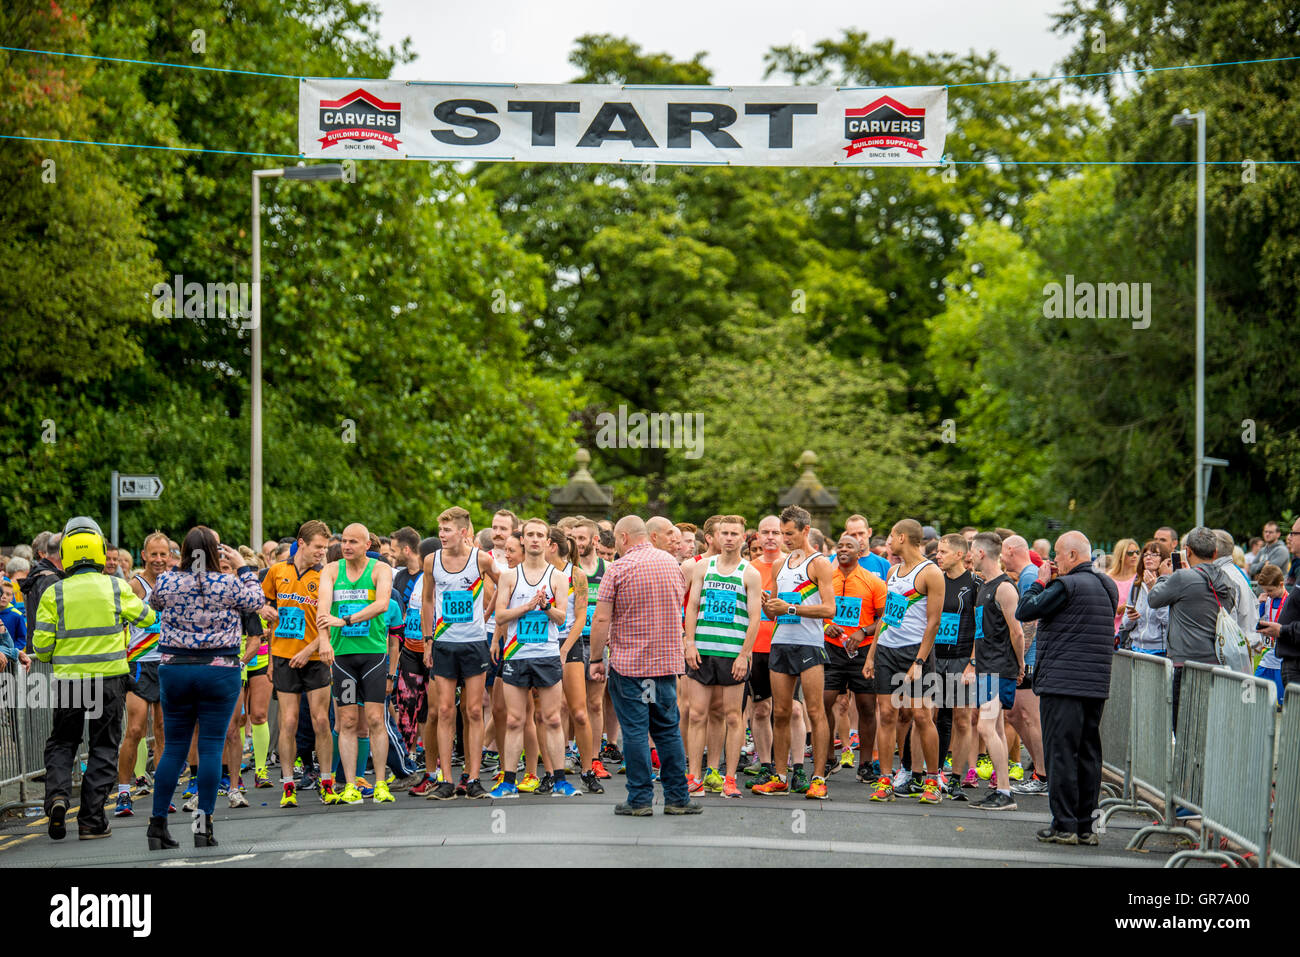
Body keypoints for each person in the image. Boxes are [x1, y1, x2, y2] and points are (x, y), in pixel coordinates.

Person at [35, 517, 154, 843]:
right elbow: (148, 617)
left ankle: (58, 797)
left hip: (71, 683)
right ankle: (90, 821)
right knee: (103, 748)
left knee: (62, 742)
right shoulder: (116, 586)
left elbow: (41, 648)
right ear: (100, 551)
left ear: (67, 553)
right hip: (110, 682)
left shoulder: (54, 593)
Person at [147, 525, 264, 848]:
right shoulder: (229, 582)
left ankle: (157, 825)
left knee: (174, 747)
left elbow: (155, 603)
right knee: (212, 746)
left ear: (183, 551)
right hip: (219, 669)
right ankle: (203, 827)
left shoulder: (168, 579)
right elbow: (256, 601)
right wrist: (243, 566)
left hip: (176, 668)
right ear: (216, 552)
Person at [587, 516, 699, 815]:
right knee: (668, 731)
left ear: (623, 537)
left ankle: (639, 800)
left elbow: (600, 619)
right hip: (664, 666)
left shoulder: (618, 569)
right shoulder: (671, 565)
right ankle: (677, 798)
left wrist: (596, 658)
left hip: (631, 665)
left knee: (635, 732)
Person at [1014, 530, 1117, 846]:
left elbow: (1025, 610)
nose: (1052, 561)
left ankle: (1064, 825)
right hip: (1095, 683)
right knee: (1088, 754)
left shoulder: (1065, 585)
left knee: (1061, 753)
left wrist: (1039, 581)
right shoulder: (1107, 585)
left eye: (1057, 555)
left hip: (1063, 682)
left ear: (1073, 555)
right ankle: (1087, 827)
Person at [488, 518, 581, 799]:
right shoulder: (509, 577)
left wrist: (545, 605)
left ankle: (560, 780)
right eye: (530, 535)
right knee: (515, 720)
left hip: (547, 655)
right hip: (517, 654)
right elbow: (500, 615)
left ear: (549, 542)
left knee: (552, 718)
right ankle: (508, 780)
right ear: (523, 540)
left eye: (541, 535)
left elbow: (563, 617)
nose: (536, 540)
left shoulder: (558, 577)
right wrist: (527, 606)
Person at [753, 507, 835, 800]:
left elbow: (829, 609)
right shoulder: (780, 564)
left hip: (809, 644)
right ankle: (779, 775)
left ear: (805, 530)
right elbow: (773, 610)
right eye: (782, 532)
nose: (784, 538)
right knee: (781, 712)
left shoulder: (820, 563)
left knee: (815, 711)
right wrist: (767, 604)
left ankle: (818, 777)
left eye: (789, 533)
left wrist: (789, 608)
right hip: (780, 642)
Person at [864, 519, 945, 804]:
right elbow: (887, 617)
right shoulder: (894, 571)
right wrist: (872, 653)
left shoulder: (931, 572)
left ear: (901, 537)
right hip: (887, 648)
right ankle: (886, 779)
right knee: (886, 715)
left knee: (921, 716)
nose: (888, 541)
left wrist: (920, 661)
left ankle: (932, 780)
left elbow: (934, 622)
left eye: (890, 536)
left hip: (914, 652)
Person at [682, 515, 762, 799]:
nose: (729, 538)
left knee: (732, 716)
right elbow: (691, 608)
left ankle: (729, 778)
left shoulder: (749, 573)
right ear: (715, 537)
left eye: (734, 533)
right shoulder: (704, 566)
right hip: (703, 651)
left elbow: (755, 618)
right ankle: (694, 775)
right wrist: (689, 643)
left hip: (732, 654)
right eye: (724, 533)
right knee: (697, 714)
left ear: (743, 538)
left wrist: (745, 654)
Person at [318, 523, 396, 805]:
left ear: (367, 545)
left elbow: (383, 604)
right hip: (343, 657)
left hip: (372, 654)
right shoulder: (331, 570)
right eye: (344, 541)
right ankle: (350, 784)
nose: (346, 546)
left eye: (353, 542)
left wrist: (347, 620)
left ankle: (380, 784)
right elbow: (322, 609)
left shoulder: (380, 569)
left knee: (376, 719)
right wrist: (324, 640)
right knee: (348, 720)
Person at [261, 520, 336, 807]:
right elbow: (263, 605)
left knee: (320, 721)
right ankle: (288, 784)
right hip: (283, 656)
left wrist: (309, 649)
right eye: (318, 546)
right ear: (301, 543)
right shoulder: (277, 572)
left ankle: (326, 782)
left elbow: (330, 623)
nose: (322, 552)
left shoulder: (327, 575)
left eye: (325, 547)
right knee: (288, 722)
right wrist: (264, 610)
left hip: (315, 657)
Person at [1147, 527, 1237, 731]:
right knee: (1208, 726)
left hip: (1185, 663)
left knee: (1184, 727)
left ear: (1187, 551)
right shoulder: (1227, 580)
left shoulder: (1182, 578)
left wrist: (1163, 576)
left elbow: (1154, 599)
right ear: (1215, 553)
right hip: (1217, 662)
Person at [113, 532, 170, 818]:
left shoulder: (174, 584)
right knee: (136, 730)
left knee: (162, 730)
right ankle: (124, 792)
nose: (159, 560)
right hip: (139, 663)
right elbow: (118, 621)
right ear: (144, 555)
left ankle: (163, 790)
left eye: (164, 554)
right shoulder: (135, 585)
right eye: (154, 554)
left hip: (168, 662)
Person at [821, 533, 885, 783]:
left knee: (867, 707)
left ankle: (866, 763)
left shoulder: (873, 582)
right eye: (840, 546)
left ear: (860, 553)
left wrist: (863, 631)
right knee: (824, 704)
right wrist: (827, 626)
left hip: (863, 651)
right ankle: (828, 758)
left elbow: (885, 619)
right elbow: (817, 611)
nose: (843, 549)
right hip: (832, 649)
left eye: (850, 546)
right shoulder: (827, 579)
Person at [969, 532, 1024, 811]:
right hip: (987, 666)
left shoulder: (1004, 588)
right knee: (997, 728)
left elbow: (1017, 632)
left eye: (971, 551)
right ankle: (1003, 789)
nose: (969, 556)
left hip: (999, 667)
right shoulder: (985, 586)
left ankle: (1004, 791)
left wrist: (1021, 664)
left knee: (985, 726)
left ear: (981, 553)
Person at [1116, 541, 1171, 656]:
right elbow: (1126, 624)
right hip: (1136, 648)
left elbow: (1167, 620)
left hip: (1160, 651)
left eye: (1154, 554)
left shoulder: (1169, 584)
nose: (1148, 558)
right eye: (1145, 555)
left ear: (1164, 560)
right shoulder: (1137, 585)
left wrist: (1154, 591)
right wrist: (1131, 617)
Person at [1212, 530, 1260, 635]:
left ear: (1214, 551)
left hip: (1236, 644)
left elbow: (1227, 621)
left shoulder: (1222, 576)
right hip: (1247, 639)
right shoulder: (1234, 571)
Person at [1253, 564, 1288, 701]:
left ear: (1281, 584)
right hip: (1266, 659)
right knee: (1255, 698)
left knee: (1281, 705)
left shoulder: (1289, 602)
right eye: (1265, 590)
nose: (1268, 594)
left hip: (1281, 663)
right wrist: (1258, 604)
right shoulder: (1265, 600)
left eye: (1270, 591)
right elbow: (1254, 622)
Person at [1107, 539, 1140, 634]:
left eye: (1137, 552)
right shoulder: (1108, 578)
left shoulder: (1140, 577)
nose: (1135, 556)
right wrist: (1121, 609)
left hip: (1134, 630)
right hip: (1113, 630)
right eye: (1130, 553)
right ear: (1120, 556)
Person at [844, 514, 890, 580]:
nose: (858, 539)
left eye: (861, 533)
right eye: (853, 535)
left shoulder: (884, 564)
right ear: (847, 536)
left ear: (869, 532)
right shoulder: (837, 561)